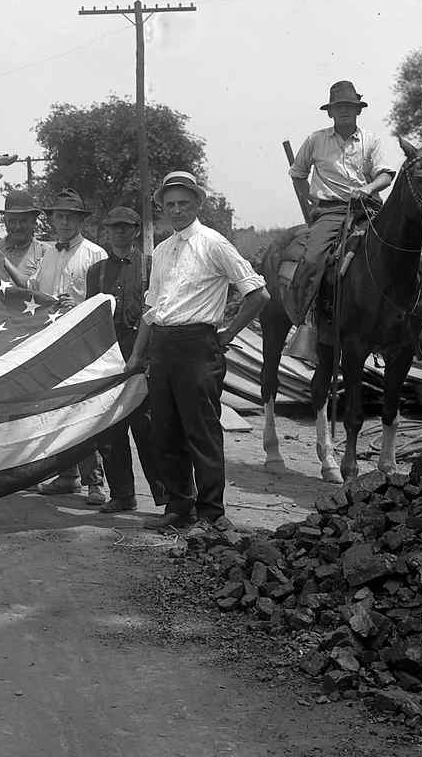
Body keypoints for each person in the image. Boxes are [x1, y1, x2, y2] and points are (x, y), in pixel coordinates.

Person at [127, 171, 268, 532]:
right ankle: (179, 507)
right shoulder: (161, 250)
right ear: (162, 207)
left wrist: (227, 333)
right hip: (162, 347)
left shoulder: (214, 243)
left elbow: (258, 294)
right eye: (170, 204)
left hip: (198, 346)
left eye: (183, 203)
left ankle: (211, 514)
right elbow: (151, 308)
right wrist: (138, 356)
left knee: (201, 432)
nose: (176, 210)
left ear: (197, 204)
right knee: (165, 431)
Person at [286, 80, 395, 327]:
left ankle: (414, 315)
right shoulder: (315, 140)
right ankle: (305, 318)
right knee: (312, 260)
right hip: (331, 212)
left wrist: (368, 188)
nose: (344, 110)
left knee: (403, 250)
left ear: (358, 110)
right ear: (330, 112)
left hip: (368, 209)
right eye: (338, 107)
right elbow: (298, 173)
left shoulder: (371, 140)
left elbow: (386, 175)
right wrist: (311, 200)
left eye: (349, 106)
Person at [84, 207, 163, 513]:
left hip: (143, 362)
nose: (119, 232)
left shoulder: (151, 266)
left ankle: (168, 498)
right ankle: (122, 495)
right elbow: (92, 318)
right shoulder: (97, 272)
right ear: (106, 231)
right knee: (111, 433)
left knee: (149, 430)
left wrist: (149, 359)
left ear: (136, 230)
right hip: (110, 361)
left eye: (125, 227)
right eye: (113, 227)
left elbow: (159, 313)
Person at [33, 189, 108, 501]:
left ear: (80, 221)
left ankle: (95, 481)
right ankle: (67, 475)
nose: (64, 222)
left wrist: (79, 306)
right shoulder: (47, 254)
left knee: (84, 411)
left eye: (70, 217)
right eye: (59, 216)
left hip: (83, 344)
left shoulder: (95, 254)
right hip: (51, 344)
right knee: (57, 411)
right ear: (52, 219)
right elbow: (34, 291)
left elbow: (106, 302)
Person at [0, 188, 46, 290]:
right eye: (12, 221)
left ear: (33, 222)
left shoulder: (45, 253)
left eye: (23, 221)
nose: (17, 227)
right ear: (5, 221)